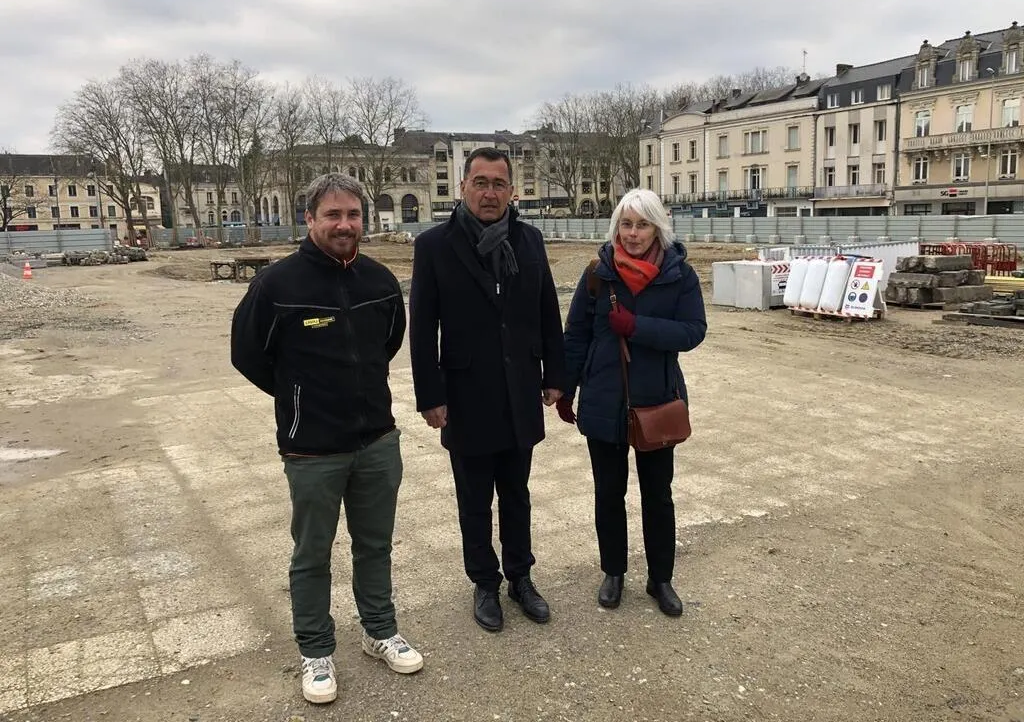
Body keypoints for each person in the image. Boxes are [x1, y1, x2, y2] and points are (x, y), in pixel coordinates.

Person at [230, 173, 423, 705]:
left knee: (375, 543)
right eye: (332, 215)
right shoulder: (276, 286)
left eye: (353, 215)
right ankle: (316, 651)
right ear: (310, 219)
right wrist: (299, 394)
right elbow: (247, 355)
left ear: (364, 218)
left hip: (377, 441)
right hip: (312, 448)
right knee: (312, 552)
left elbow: (387, 344)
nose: (344, 224)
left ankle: (379, 631)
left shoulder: (381, 282)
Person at [409, 147, 566, 633]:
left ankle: (521, 577)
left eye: (499, 183)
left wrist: (556, 375)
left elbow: (546, 311)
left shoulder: (530, 240)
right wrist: (430, 396)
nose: (490, 193)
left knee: (517, 494)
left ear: (512, 190)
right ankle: (484, 582)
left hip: (519, 390)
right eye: (480, 182)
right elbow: (423, 326)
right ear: (463, 187)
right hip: (465, 394)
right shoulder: (434, 245)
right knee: (474, 499)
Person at [556, 188, 706, 617]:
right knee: (609, 492)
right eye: (626, 224)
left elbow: (693, 332)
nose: (634, 233)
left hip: (657, 402)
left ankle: (661, 579)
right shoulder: (597, 275)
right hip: (604, 400)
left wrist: (638, 326)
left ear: (657, 227)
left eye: (642, 224)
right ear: (615, 227)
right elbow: (577, 336)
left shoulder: (680, 275)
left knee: (658, 495)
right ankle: (613, 572)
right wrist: (567, 388)